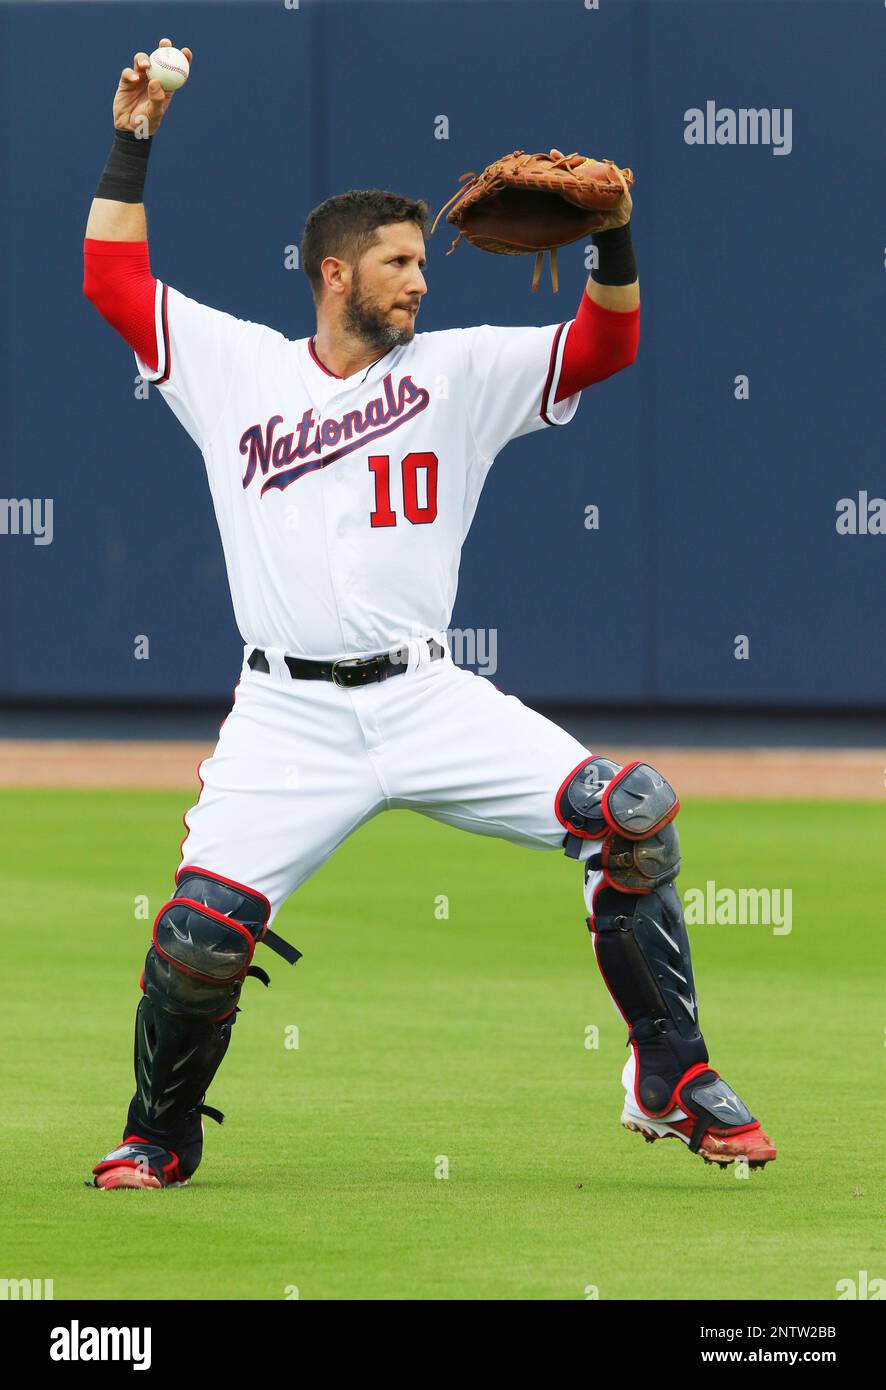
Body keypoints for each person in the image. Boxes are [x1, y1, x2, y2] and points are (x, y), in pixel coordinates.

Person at [83, 39, 775, 1189]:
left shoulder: (458, 372)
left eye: (421, 260)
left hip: (424, 695)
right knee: (200, 936)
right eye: (398, 262)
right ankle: (159, 1133)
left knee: (633, 814)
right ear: (334, 275)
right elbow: (112, 282)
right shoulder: (237, 368)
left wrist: (613, 233)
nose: (421, 279)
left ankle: (673, 1073)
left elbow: (609, 343)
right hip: (285, 717)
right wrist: (133, 134)